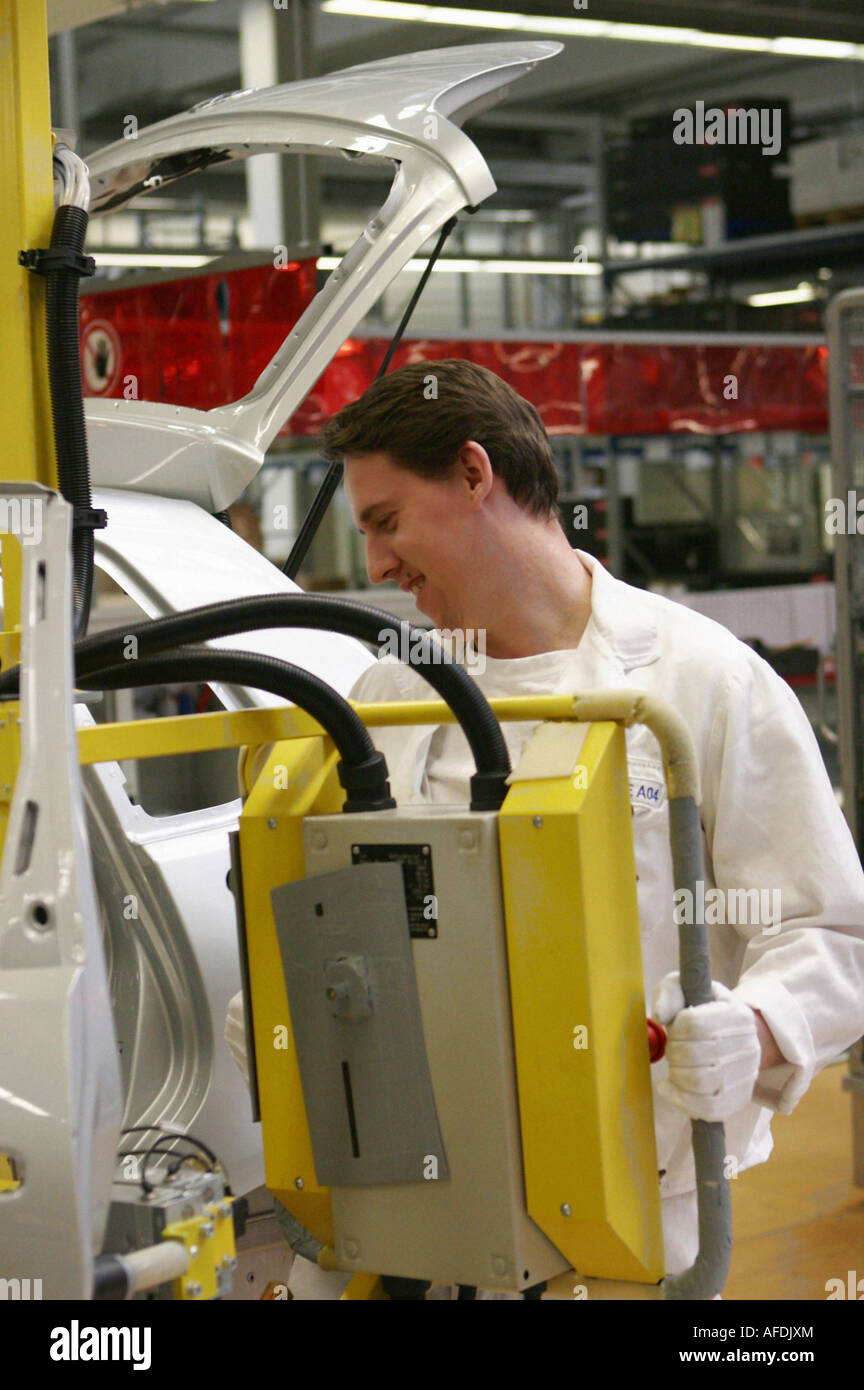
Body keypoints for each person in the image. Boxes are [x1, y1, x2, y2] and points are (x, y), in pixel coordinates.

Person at [310, 357, 864, 1283]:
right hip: (426, 1188)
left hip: (637, 1213)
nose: (375, 564)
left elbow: (834, 930)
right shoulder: (385, 698)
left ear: (476, 475)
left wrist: (757, 1024)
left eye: (386, 521)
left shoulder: (700, 680)